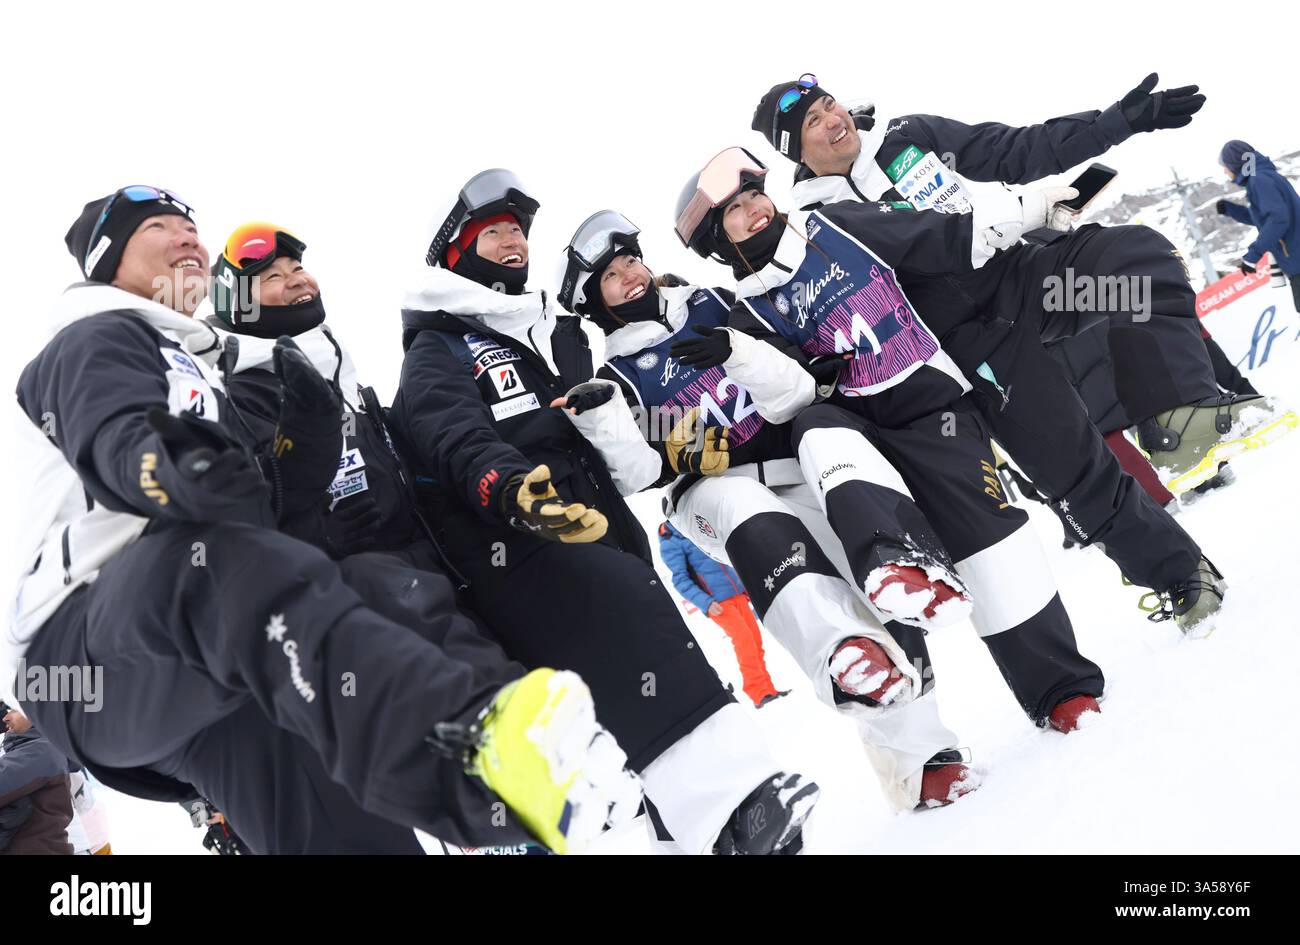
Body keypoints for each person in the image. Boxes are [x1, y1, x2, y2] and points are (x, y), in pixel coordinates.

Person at [5, 185, 642, 855]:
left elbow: (261, 518)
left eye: (193, 227)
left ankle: (509, 799)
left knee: (339, 830)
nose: (188, 237)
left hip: (204, 674)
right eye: (162, 227)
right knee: (225, 563)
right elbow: (116, 432)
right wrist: (169, 464)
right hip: (86, 637)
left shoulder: (204, 367)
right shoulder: (92, 334)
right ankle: (481, 733)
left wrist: (294, 457)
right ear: (108, 258)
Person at [388, 169, 820, 854]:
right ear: (456, 253)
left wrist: (650, 435)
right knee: (634, 622)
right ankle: (741, 806)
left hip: (595, 533)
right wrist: (510, 488)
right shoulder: (439, 349)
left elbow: (613, 431)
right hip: (520, 545)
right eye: (493, 232)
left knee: (616, 695)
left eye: (517, 231)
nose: (511, 242)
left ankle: (694, 831)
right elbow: (449, 434)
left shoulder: (544, 337)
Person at [751, 77, 1234, 625]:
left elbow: (1014, 150)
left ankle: (1180, 417)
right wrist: (1022, 211)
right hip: (972, 346)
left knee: (1139, 262)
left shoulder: (907, 137)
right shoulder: (822, 222)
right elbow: (932, 236)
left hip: (1025, 280)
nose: (832, 119)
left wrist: (1115, 123)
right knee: (1076, 474)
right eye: (812, 123)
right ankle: (1184, 581)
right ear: (796, 152)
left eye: (827, 104)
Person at [556, 209, 981, 810]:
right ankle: (839, 656)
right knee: (767, 532)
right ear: (594, 304)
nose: (631, 277)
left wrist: (735, 351)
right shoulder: (616, 376)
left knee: (862, 585)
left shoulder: (710, 305)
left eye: (632, 261)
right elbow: (639, 474)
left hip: (786, 457)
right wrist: (601, 413)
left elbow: (798, 392)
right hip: (710, 491)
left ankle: (919, 753)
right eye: (612, 276)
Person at [657, 521, 784, 708]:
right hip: (718, 603)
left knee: (755, 641)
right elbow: (680, 580)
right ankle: (758, 692)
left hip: (737, 594)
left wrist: (744, 586)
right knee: (745, 642)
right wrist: (706, 603)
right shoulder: (671, 542)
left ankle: (767, 688)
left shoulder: (695, 528)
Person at [1217, 139, 1300, 313]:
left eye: (1225, 165)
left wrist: (1252, 256)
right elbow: (1264, 218)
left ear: (1235, 163)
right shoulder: (1262, 177)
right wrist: (1231, 210)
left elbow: (1278, 220)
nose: (1224, 171)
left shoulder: (1259, 180)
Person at [0, 703, 74, 855]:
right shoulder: (30, 749)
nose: (6, 718)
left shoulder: (41, 750)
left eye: (14, 710)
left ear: (36, 715)